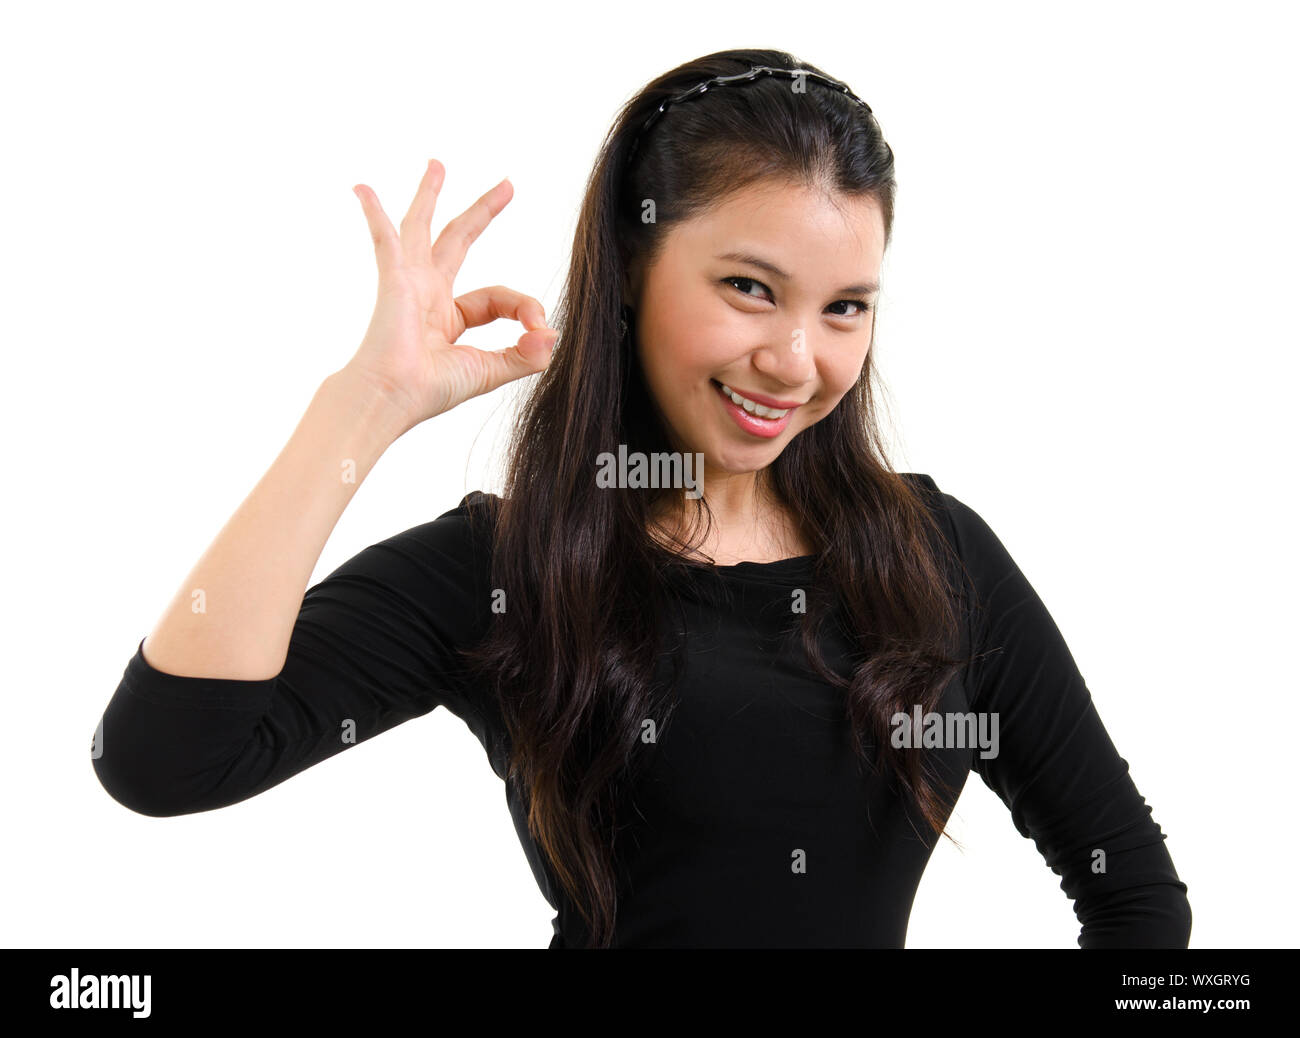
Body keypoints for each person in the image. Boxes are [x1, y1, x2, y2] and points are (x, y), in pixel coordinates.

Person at [91, 47, 1191, 949]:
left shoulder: (936, 557)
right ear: (631, 269)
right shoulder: (507, 570)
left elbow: (1135, 900)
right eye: (749, 289)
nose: (797, 360)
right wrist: (362, 407)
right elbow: (165, 759)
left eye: (845, 307)